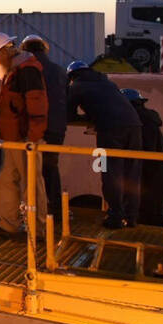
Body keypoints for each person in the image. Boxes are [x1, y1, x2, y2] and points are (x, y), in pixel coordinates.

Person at [0, 32, 49, 236]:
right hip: (12, 138)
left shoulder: (26, 70)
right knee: (8, 179)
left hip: (24, 139)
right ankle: (8, 224)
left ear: (6, 50)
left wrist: (33, 138)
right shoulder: (13, 71)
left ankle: (37, 230)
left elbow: (37, 103)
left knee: (31, 183)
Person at [66, 61, 142, 228]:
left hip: (109, 130)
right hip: (135, 127)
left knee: (108, 171)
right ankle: (131, 217)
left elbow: (67, 114)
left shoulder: (77, 86)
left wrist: (89, 118)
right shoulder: (107, 82)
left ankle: (115, 217)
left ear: (72, 76)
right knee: (132, 173)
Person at [20, 35, 69, 223]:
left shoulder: (24, 69)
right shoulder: (59, 71)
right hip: (56, 128)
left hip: (34, 127)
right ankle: (54, 209)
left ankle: (35, 212)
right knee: (51, 166)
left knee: (31, 169)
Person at [123, 88, 163, 226]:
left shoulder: (138, 122)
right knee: (151, 213)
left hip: (150, 177)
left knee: (147, 217)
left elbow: (146, 151)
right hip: (160, 175)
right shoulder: (148, 119)